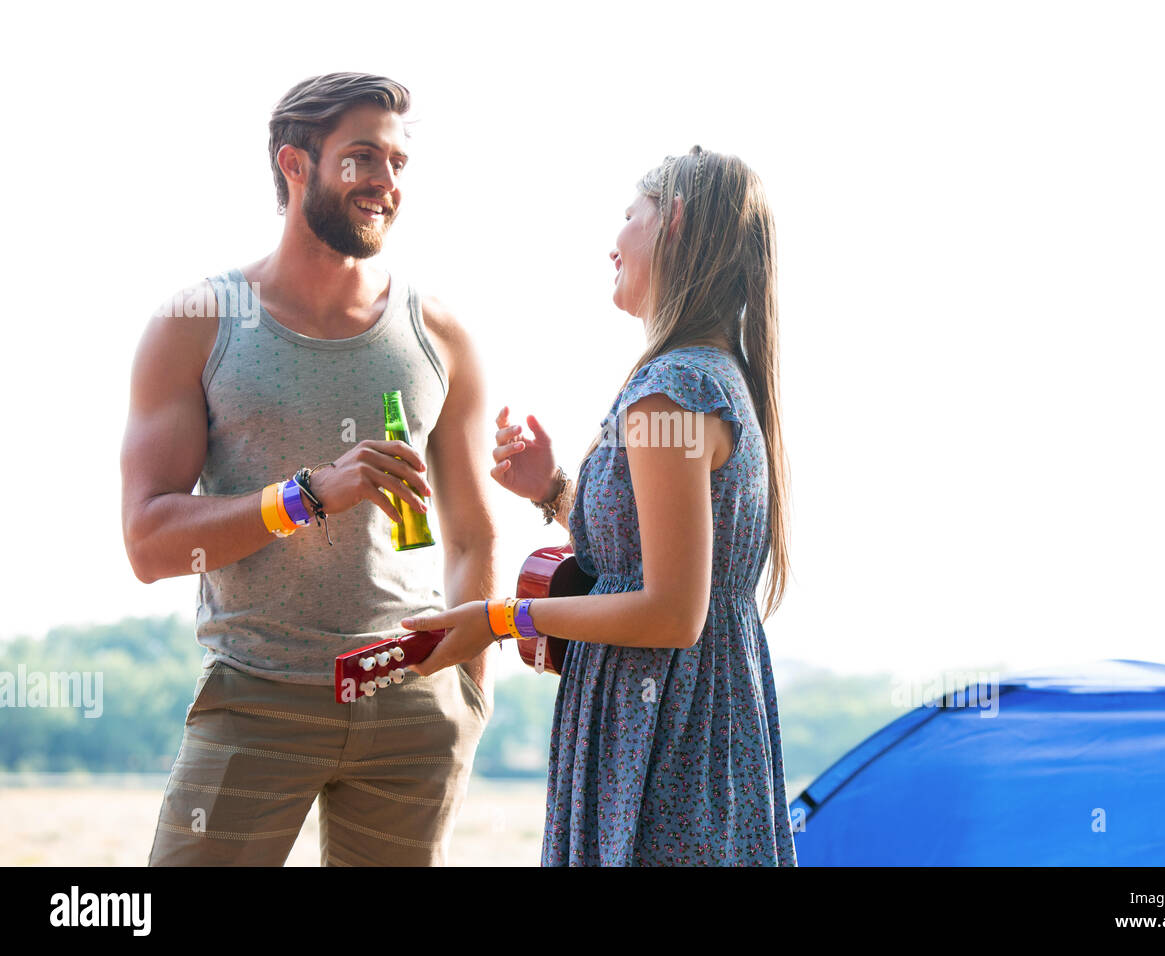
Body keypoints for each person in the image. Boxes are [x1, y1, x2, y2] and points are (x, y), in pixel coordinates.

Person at [120, 73, 497, 866]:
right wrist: (309, 495)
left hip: (411, 699)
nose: (388, 185)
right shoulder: (200, 324)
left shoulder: (441, 334)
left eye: (399, 163)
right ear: (296, 165)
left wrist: (466, 689)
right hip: (257, 697)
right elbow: (150, 541)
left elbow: (472, 533)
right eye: (364, 159)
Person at [403, 146, 796, 865]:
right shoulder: (719, 377)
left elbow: (673, 612)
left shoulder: (669, 389)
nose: (611, 242)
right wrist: (554, 491)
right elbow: (660, 554)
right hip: (712, 715)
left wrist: (497, 619)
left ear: (672, 221)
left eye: (628, 216)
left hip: (660, 730)